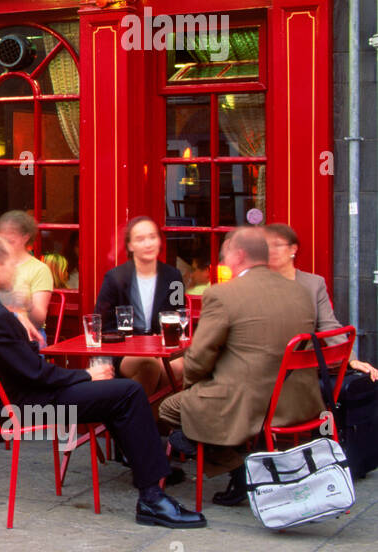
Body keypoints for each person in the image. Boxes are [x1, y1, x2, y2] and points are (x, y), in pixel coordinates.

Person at [0, 235, 205, 528]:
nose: (16, 270)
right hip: (25, 409)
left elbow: (23, 360)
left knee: (115, 394)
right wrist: (86, 374)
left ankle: (146, 470)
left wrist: (15, 314)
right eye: (10, 264)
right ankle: (152, 497)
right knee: (128, 392)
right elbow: (38, 374)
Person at [160, 228, 318, 506]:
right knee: (201, 408)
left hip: (249, 404)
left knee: (172, 408)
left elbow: (197, 360)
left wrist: (193, 385)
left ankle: (239, 470)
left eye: (225, 254)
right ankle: (225, 452)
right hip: (296, 400)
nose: (222, 261)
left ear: (240, 255)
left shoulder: (223, 295)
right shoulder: (300, 292)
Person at [265, 222, 378, 381]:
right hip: (265, 369)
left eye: (277, 245)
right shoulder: (256, 283)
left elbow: (329, 325)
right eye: (265, 246)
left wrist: (351, 359)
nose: (271, 251)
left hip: (302, 370)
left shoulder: (313, 283)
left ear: (293, 249)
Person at [93, 216, 187, 395]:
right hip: (126, 350)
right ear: (130, 246)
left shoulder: (173, 276)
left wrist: (158, 342)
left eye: (152, 237)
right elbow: (103, 326)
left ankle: (146, 421)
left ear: (160, 241)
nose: (148, 244)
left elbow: (179, 316)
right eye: (140, 239)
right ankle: (151, 421)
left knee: (175, 367)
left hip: (161, 348)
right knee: (148, 365)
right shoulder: (115, 278)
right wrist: (137, 343)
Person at [0, 210, 54, 343]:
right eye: (0, 239)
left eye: (10, 240)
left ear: (25, 237)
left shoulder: (39, 269)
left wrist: (28, 304)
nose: (4, 244)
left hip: (26, 333)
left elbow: (39, 321)